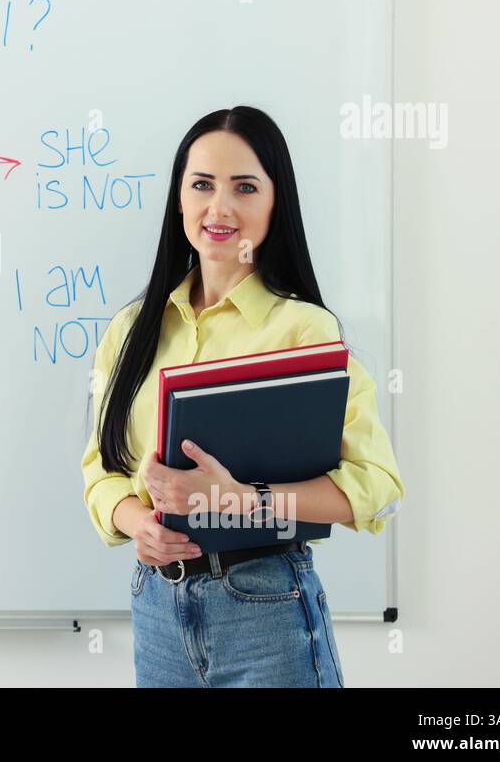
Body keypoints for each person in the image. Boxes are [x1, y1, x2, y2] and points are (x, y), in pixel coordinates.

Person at [79, 105, 403, 687]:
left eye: (245, 187)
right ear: (179, 198)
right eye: (202, 185)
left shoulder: (304, 330)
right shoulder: (131, 330)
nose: (219, 207)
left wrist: (241, 499)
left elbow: (375, 487)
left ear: (276, 203)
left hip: (265, 609)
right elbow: (101, 472)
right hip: (157, 609)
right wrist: (138, 523)